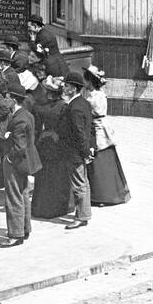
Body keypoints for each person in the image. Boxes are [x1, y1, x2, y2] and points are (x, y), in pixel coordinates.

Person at [0, 80, 42, 247]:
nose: (5, 100)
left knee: (13, 196)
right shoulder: (27, 114)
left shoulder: (18, 119)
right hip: (26, 162)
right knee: (23, 193)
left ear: (12, 98)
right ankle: (25, 228)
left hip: (15, 162)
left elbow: (20, 146)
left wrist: (9, 158)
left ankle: (15, 234)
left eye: (6, 97)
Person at [84, 66, 130, 206]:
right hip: (94, 125)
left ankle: (104, 195)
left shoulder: (97, 96)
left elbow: (93, 112)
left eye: (85, 80)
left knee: (100, 158)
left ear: (90, 81)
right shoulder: (91, 93)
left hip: (98, 127)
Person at [30, 79, 74, 219]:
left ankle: (42, 206)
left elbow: (36, 127)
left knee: (44, 175)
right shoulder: (65, 107)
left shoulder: (40, 107)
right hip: (58, 142)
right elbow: (67, 128)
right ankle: (60, 206)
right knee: (59, 174)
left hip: (44, 141)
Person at [57, 70, 95, 230]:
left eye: (66, 85)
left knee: (79, 184)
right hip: (80, 151)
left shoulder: (74, 108)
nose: (63, 87)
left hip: (74, 152)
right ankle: (84, 214)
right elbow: (91, 128)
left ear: (73, 88)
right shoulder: (83, 103)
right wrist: (91, 148)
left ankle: (81, 217)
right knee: (83, 182)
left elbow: (79, 133)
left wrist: (85, 152)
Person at [27, 14, 68, 79]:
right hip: (57, 62)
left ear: (35, 26)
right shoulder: (44, 33)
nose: (28, 29)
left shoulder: (43, 37)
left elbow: (37, 51)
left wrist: (32, 41)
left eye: (29, 27)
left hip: (53, 66)